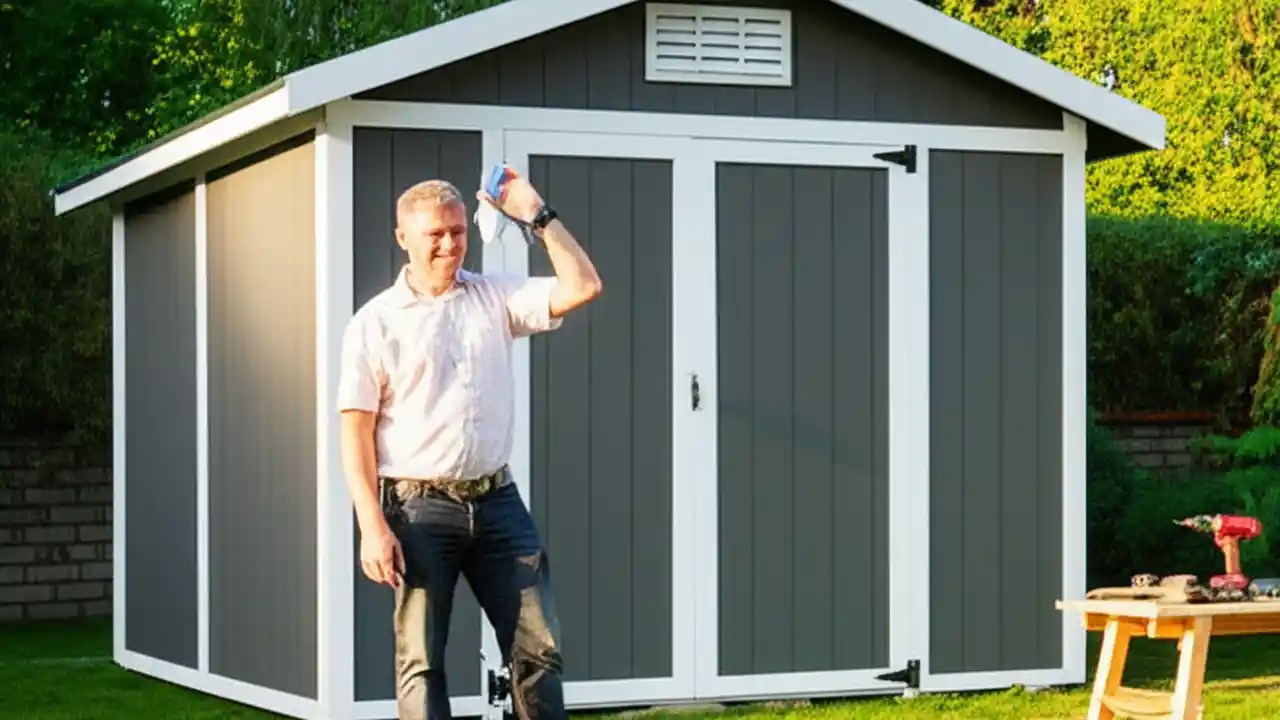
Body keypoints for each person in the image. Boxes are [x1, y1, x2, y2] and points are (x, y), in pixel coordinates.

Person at [336, 172, 602, 720]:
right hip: (417, 508)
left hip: (499, 502)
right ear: (402, 237)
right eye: (434, 233)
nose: (449, 244)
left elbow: (583, 286)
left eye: (458, 231)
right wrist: (371, 525)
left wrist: (537, 214)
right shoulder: (374, 324)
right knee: (422, 663)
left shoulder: (493, 296)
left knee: (540, 650)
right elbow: (355, 430)